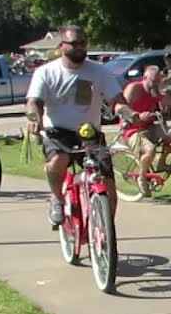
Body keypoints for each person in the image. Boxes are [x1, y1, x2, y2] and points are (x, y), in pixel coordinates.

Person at [25, 24, 124, 226]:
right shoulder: (46, 72)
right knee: (58, 160)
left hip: (90, 133)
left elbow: (117, 100)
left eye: (83, 43)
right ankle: (57, 199)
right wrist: (34, 118)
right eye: (73, 43)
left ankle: (105, 230)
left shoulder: (100, 72)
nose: (79, 47)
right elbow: (34, 101)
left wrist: (128, 112)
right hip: (57, 131)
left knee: (107, 184)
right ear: (61, 46)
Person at [119, 65, 171, 187]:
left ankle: (161, 163)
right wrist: (137, 116)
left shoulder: (155, 92)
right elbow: (120, 108)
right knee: (150, 150)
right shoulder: (134, 88)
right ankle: (142, 178)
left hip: (149, 127)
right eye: (153, 81)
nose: (155, 84)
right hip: (131, 130)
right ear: (145, 78)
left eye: (158, 81)